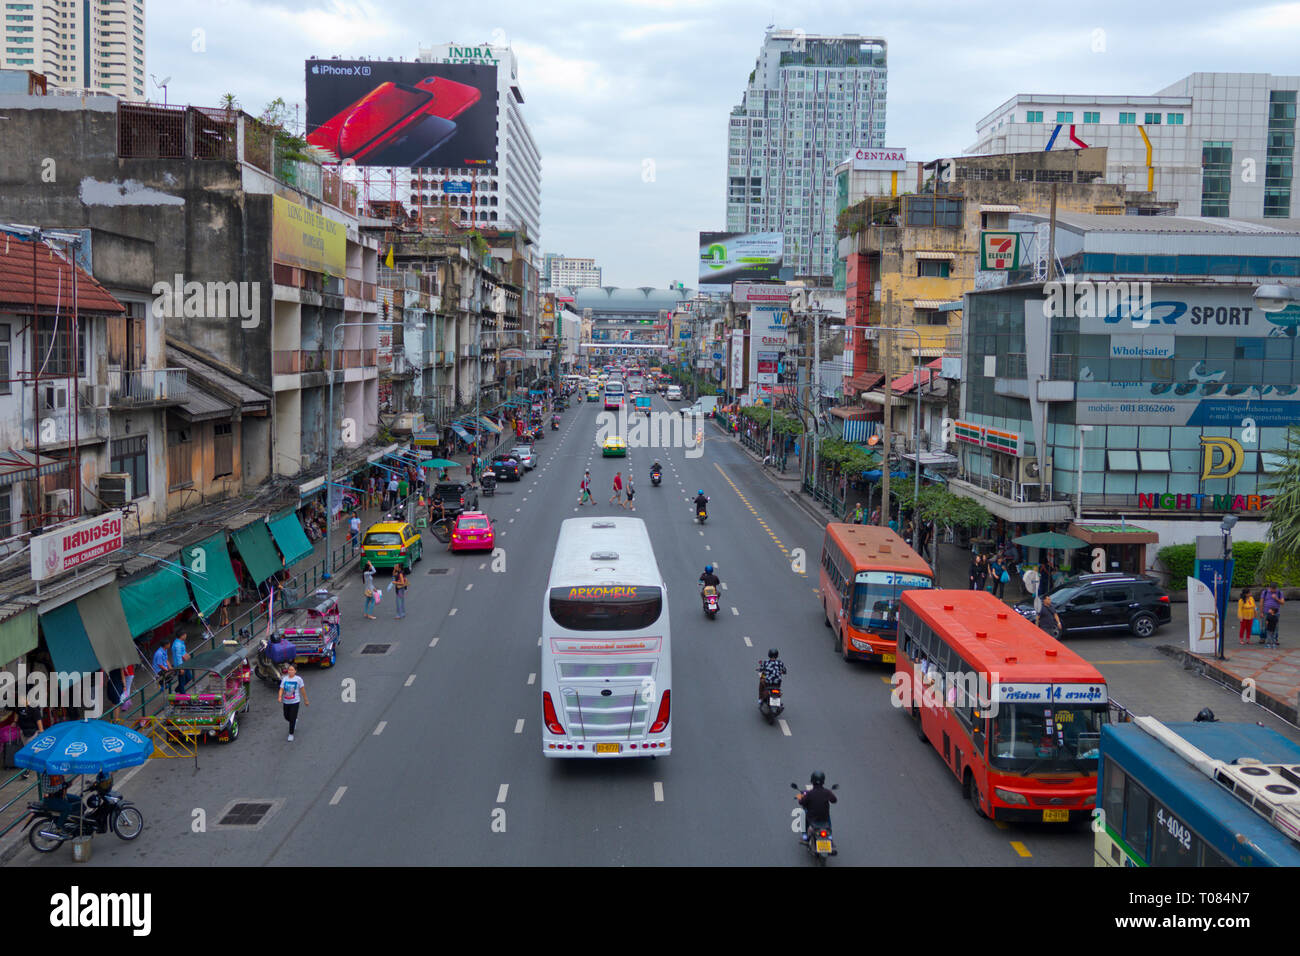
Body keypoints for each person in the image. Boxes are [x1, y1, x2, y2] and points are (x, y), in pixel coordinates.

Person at [797, 771, 837, 849]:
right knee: (828, 817)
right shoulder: (827, 792)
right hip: (824, 819)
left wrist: (799, 796)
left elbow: (801, 802)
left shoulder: (809, 794)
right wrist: (830, 794)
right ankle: (830, 837)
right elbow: (834, 800)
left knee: (804, 814)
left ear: (812, 781)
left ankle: (805, 837)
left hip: (812, 820)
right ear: (823, 781)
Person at [278, 664, 308, 741]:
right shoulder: (285, 679)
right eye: (289, 670)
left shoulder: (298, 679)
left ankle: (291, 734)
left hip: (295, 702)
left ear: (295, 671)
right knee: (286, 716)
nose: (290, 671)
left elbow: (302, 690)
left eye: (292, 670)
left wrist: (305, 700)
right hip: (286, 701)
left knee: (292, 717)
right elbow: (281, 689)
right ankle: (294, 720)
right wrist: (280, 696)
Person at [14, 698, 43, 780]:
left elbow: (38, 720)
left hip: (33, 732)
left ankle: (27, 771)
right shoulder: (19, 707)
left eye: (21, 700)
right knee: (29, 750)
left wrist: (41, 731)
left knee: (30, 751)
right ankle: (32, 764)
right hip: (24, 732)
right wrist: (15, 721)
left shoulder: (33, 708)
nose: (20, 702)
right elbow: (16, 713)